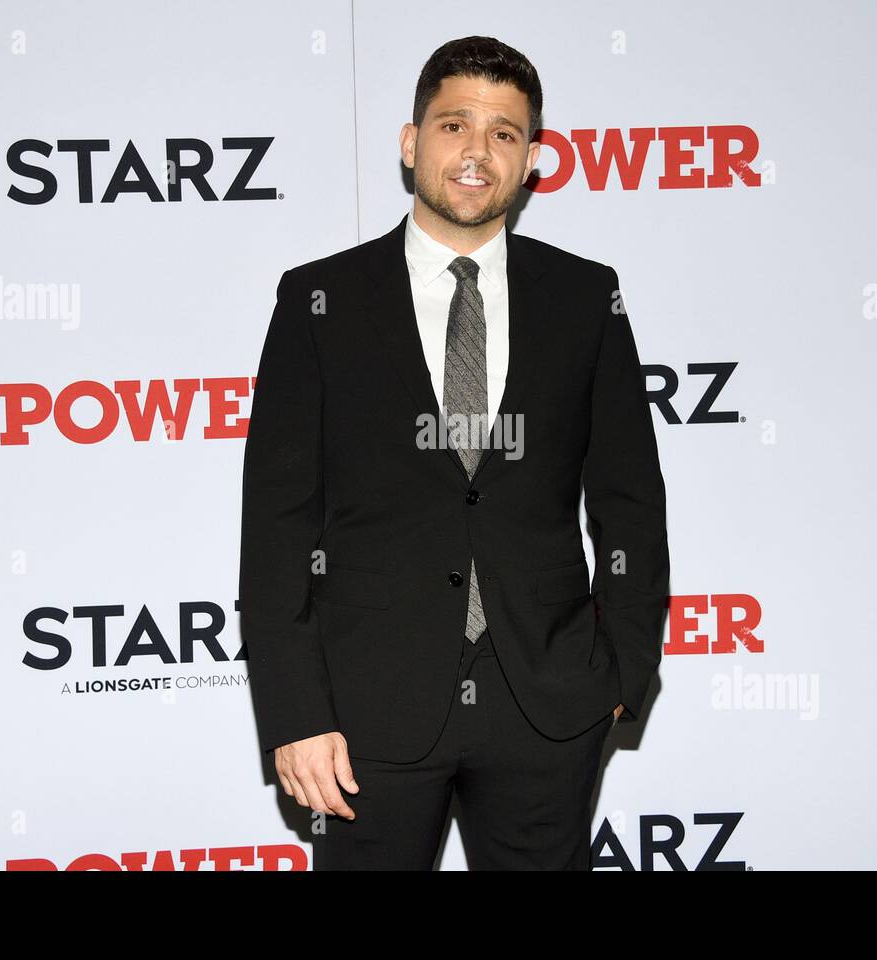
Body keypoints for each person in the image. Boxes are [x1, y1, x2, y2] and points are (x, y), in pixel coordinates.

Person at [239, 35, 669, 870]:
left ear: (533, 159)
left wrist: (625, 673)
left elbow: (631, 503)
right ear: (410, 143)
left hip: (548, 703)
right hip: (364, 707)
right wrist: (295, 711)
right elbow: (277, 522)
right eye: (454, 126)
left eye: (505, 133)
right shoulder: (320, 299)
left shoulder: (585, 297)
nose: (477, 152)